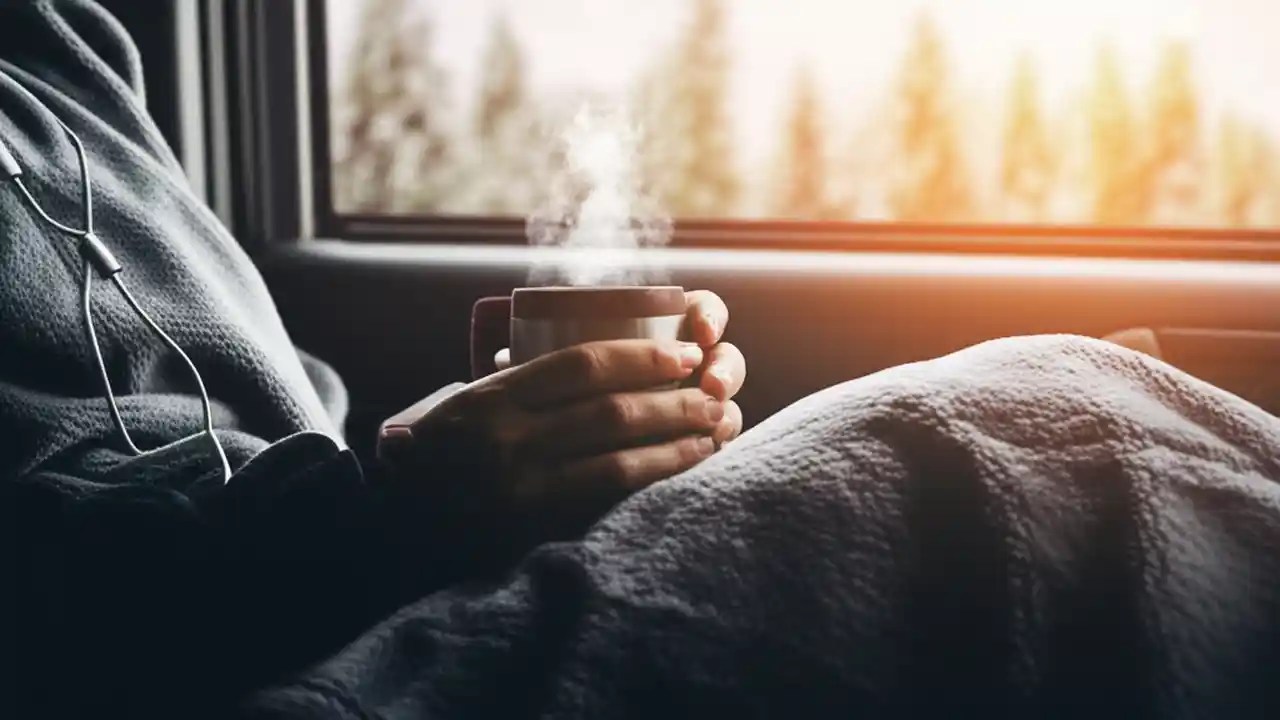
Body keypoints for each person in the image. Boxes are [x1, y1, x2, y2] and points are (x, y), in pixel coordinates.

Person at [4, 3, 1279, 719]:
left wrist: (451, 461)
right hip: (267, 644)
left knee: (1079, 406)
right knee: (1030, 437)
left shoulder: (64, 47)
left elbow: (260, 429)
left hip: (357, 577)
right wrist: (372, 526)